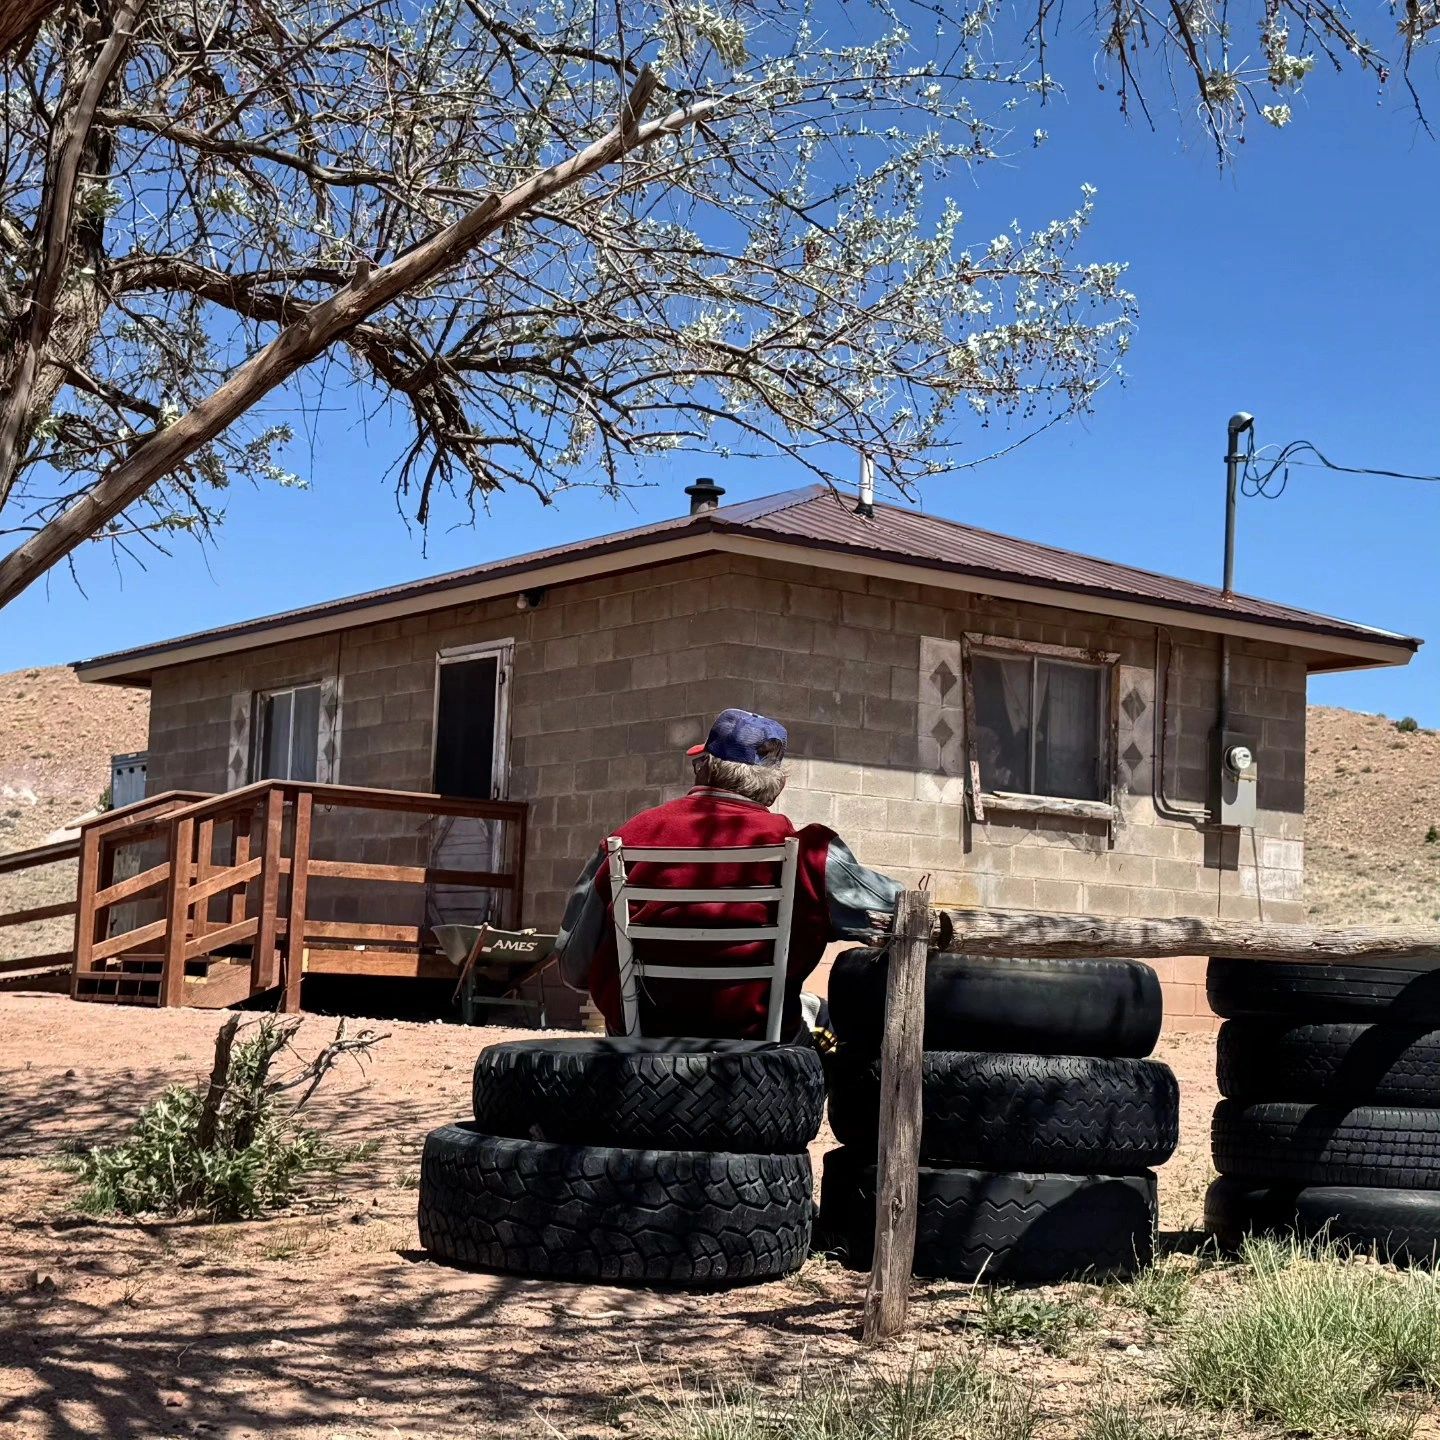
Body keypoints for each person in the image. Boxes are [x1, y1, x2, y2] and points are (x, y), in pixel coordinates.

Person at [553, 708, 901, 1040]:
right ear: (776, 787)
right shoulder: (806, 852)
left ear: (702, 769)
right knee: (827, 1016)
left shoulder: (628, 837)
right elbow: (898, 912)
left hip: (638, 1041)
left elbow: (573, 966)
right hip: (757, 1041)